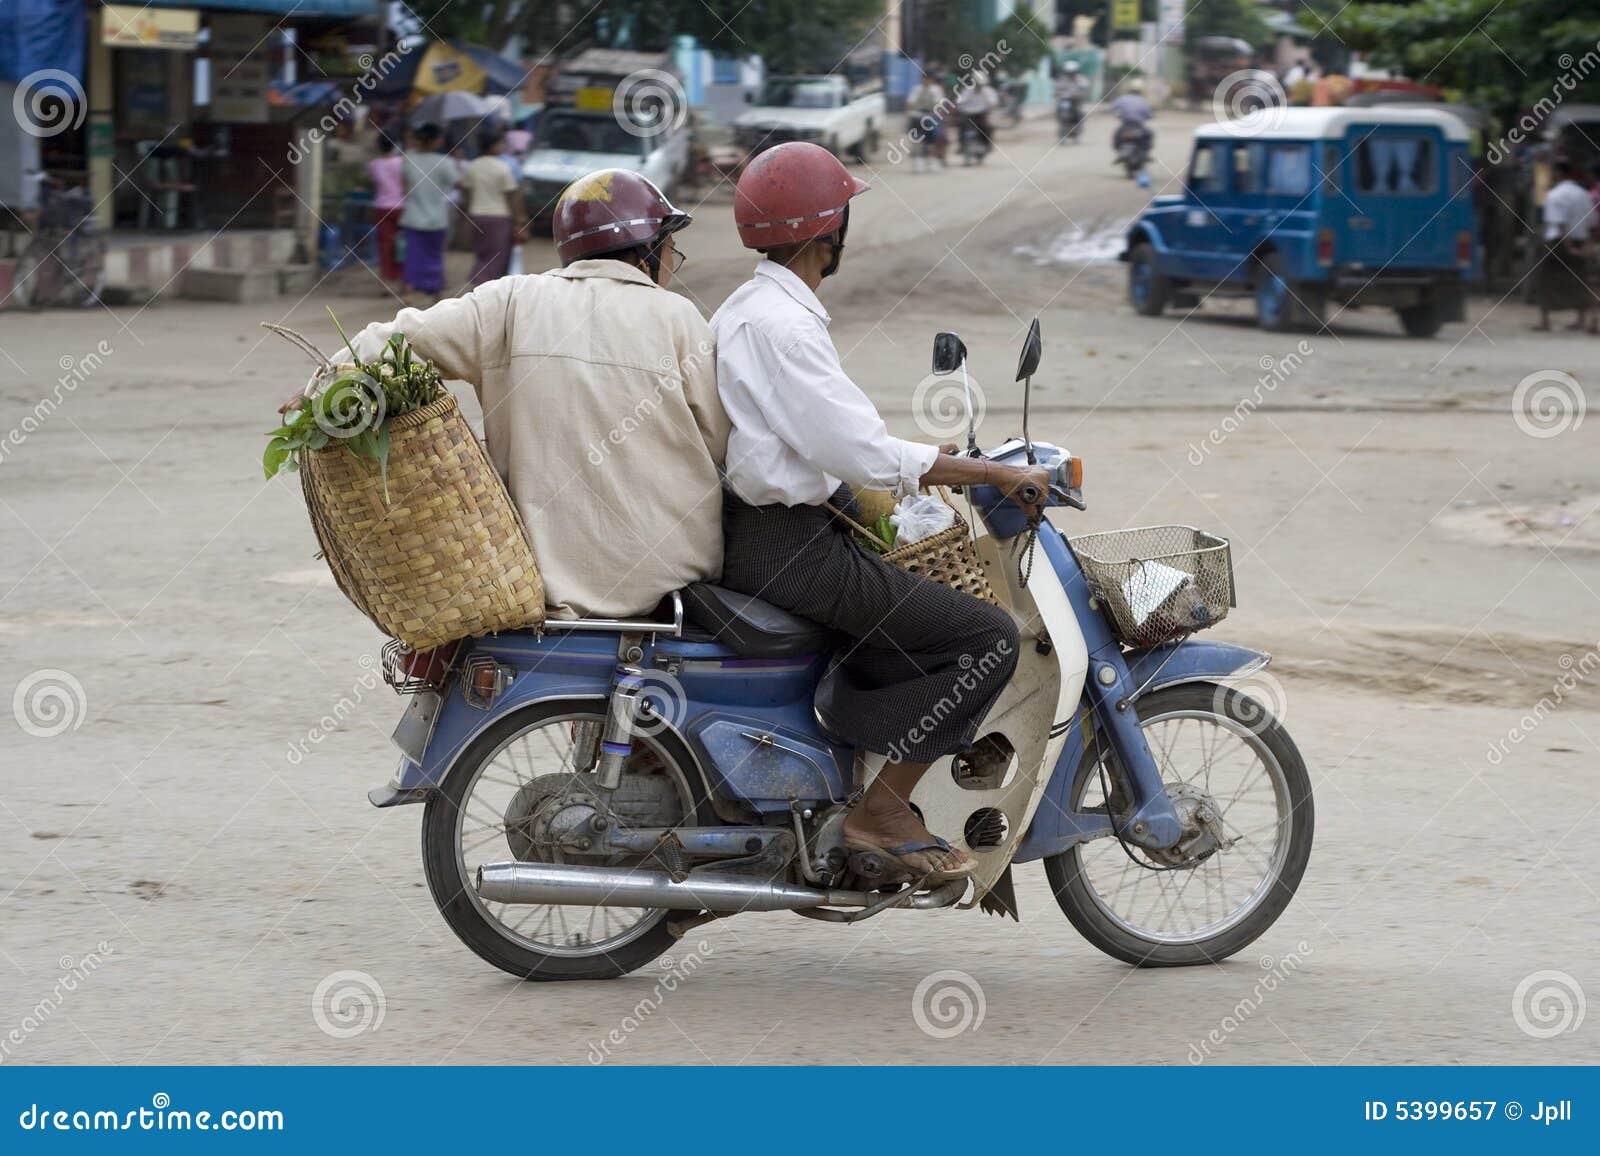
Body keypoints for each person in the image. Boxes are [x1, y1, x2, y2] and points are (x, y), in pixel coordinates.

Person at [711, 143, 1049, 877]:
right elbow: (860, 449)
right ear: (827, 231)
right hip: (791, 550)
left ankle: (852, 774)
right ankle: (882, 811)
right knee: (988, 637)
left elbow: (820, 443)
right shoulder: (785, 326)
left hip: (774, 535)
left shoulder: (748, 308)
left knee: (908, 617)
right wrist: (987, 470)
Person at [285, 171, 730, 621]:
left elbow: (395, 340)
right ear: (647, 251)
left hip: (534, 580)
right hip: (668, 582)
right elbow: (719, 446)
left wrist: (320, 387)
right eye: (672, 247)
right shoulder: (680, 318)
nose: (675, 261)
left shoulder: (512, 301)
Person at [399, 123, 458, 305]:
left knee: (413, 256)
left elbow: (405, 186)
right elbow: (455, 182)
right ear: (434, 140)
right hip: (437, 218)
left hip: (413, 216)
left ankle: (408, 292)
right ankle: (436, 293)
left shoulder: (408, 159)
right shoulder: (445, 162)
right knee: (435, 255)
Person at [1534, 155, 1595, 332]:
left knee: (1546, 279)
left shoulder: (1554, 195)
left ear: (1559, 173)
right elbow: (1592, 224)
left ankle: (1545, 320)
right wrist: (1586, 246)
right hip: (1580, 240)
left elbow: (1560, 225)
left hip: (1558, 242)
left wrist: (1569, 248)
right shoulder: (1584, 194)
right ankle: (1580, 319)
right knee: (1579, 280)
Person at [463, 131, 527, 286]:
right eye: (500, 144)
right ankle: (482, 285)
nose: (503, 147)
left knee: (482, 253)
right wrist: (520, 219)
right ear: (492, 146)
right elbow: (511, 195)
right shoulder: (502, 167)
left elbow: (467, 191)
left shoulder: (473, 166)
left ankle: (479, 283)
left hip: (477, 215)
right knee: (497, 256)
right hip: (499, 217)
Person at [366, 134, 404, 293]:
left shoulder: (374, 165)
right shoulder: (401, 162)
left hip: (382, 206)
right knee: (402, 244)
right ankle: (403, 280)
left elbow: (374, 183)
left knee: (384, 245)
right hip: (401, 206)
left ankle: (385, 283)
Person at [906, 72, 946, 172]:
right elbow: (910, 102)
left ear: (932, 80)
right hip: (917, 115)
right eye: (925, 78)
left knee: (932, 140)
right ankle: (917, 164)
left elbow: (940, 103)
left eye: (929, 78)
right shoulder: (917, 89)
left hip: (931, 115)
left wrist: (936, 111)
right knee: (916, 140)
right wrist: (911, 110)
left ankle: (930, 163)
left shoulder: (936, 90)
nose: (926, 80)